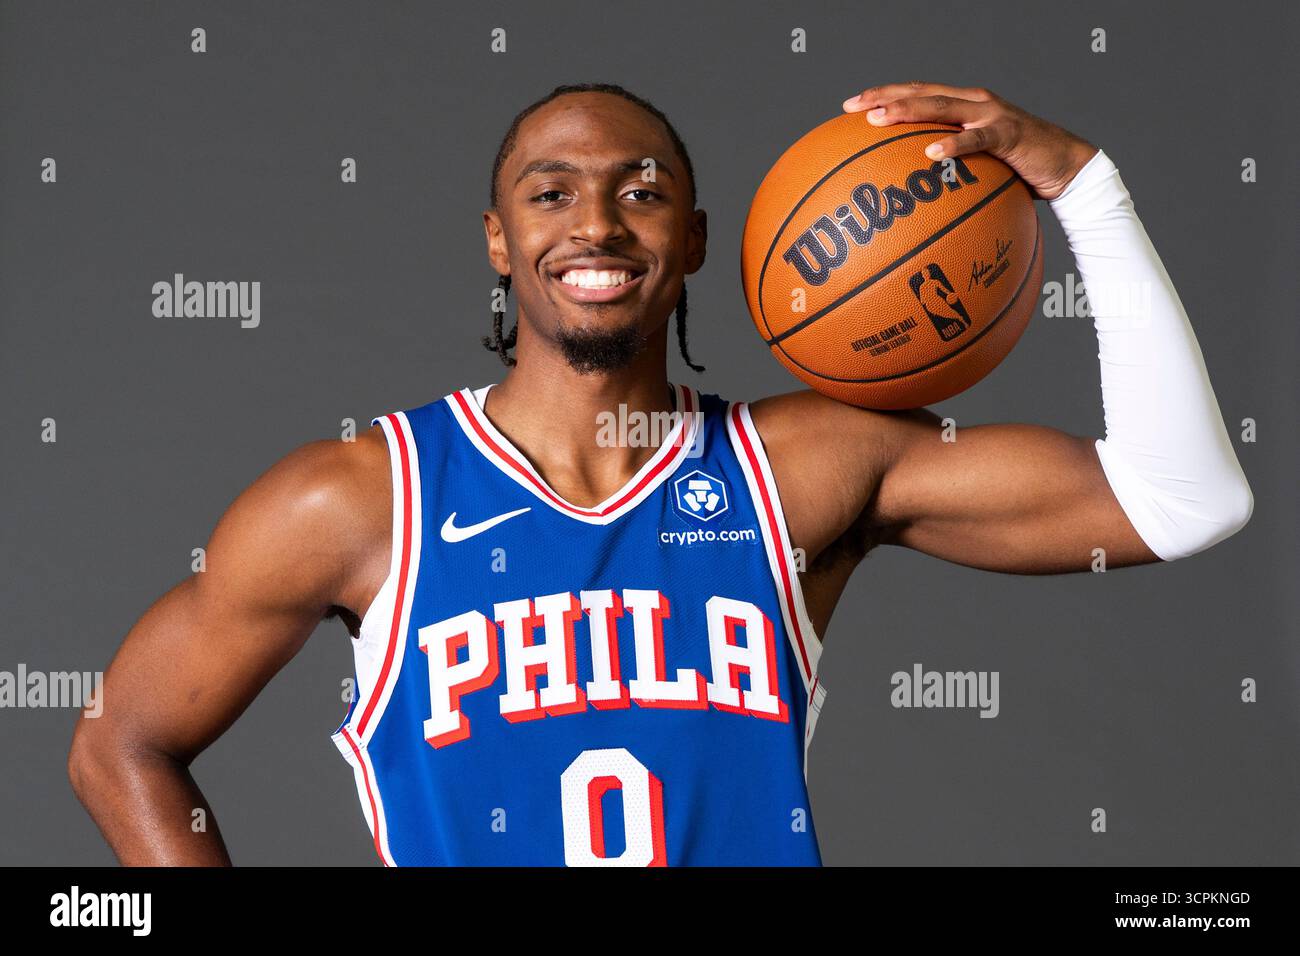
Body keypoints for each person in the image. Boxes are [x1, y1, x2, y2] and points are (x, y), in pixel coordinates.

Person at [69, 81, 1253, 866]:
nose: (598, 225)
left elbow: (1188, 499)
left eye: (642, 191)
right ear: (498, 238)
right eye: (551, 193)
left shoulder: (804, 465)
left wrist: (1087, 189)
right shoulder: (360, 498)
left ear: (694, 238)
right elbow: (117, 738)